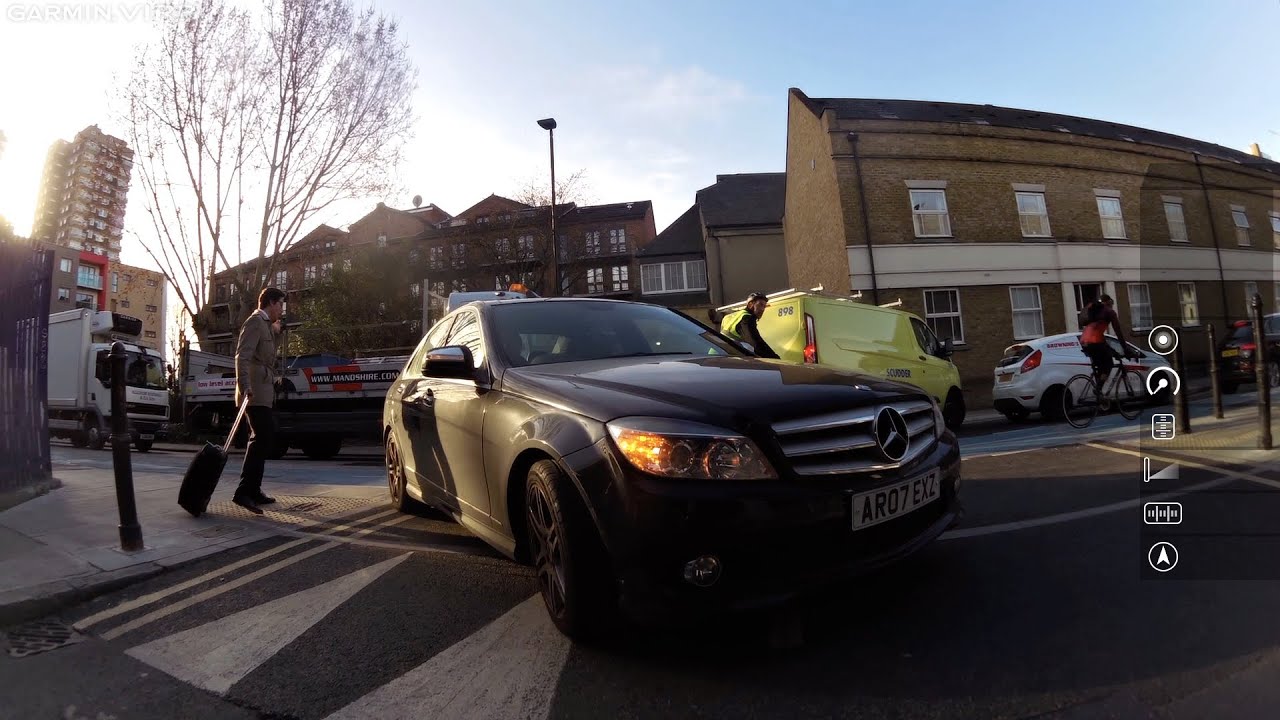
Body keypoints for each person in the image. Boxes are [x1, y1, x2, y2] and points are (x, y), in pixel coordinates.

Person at [233, 287, 286, 514]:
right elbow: (242, 356)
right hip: (253, 392)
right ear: (271, 303)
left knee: (264, 438)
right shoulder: (254, 322)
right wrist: (245, 387)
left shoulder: (265, 325)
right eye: (280, 304)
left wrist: (276, 331)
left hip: (263, 391)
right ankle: (244, 492)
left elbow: (265, 354)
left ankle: (253, 490)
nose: (282, 309)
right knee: (262, 436)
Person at [1079, 294, 1139, 390]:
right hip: (1095, 341)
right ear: (1109, 302)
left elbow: (1098, 334)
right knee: (1108, 364)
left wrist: (1114, 352)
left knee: (1101, 366)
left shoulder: (1094, 311)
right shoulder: (1110, 312)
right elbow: (1118, 331)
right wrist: (1125, 348)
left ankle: (1100, 398)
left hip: (1084, 341)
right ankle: (1098, 390)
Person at [722, 291, 780, 359]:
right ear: (750, 304)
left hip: (717, 353)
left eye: (764, 306)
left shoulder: (729, 317)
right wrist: (775, 358)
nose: (762, 309)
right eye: (760, 305)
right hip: (726, 357)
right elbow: (756, 343)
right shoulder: (747, 318)